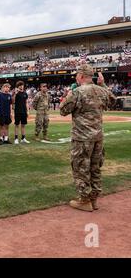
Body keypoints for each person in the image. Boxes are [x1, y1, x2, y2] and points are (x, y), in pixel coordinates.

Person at [60, 67, 116, 212]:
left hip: (82, 137)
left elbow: (63, 110)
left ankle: (85, 200)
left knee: (80, 168)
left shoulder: (77, 92)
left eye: (77, 75)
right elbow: (113, 101)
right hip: (98, 136)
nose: (76, 78)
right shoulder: (101, 90)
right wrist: (102, 84)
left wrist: (68, 94)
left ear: (81, 76)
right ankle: (94, 199)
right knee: (95, 167)